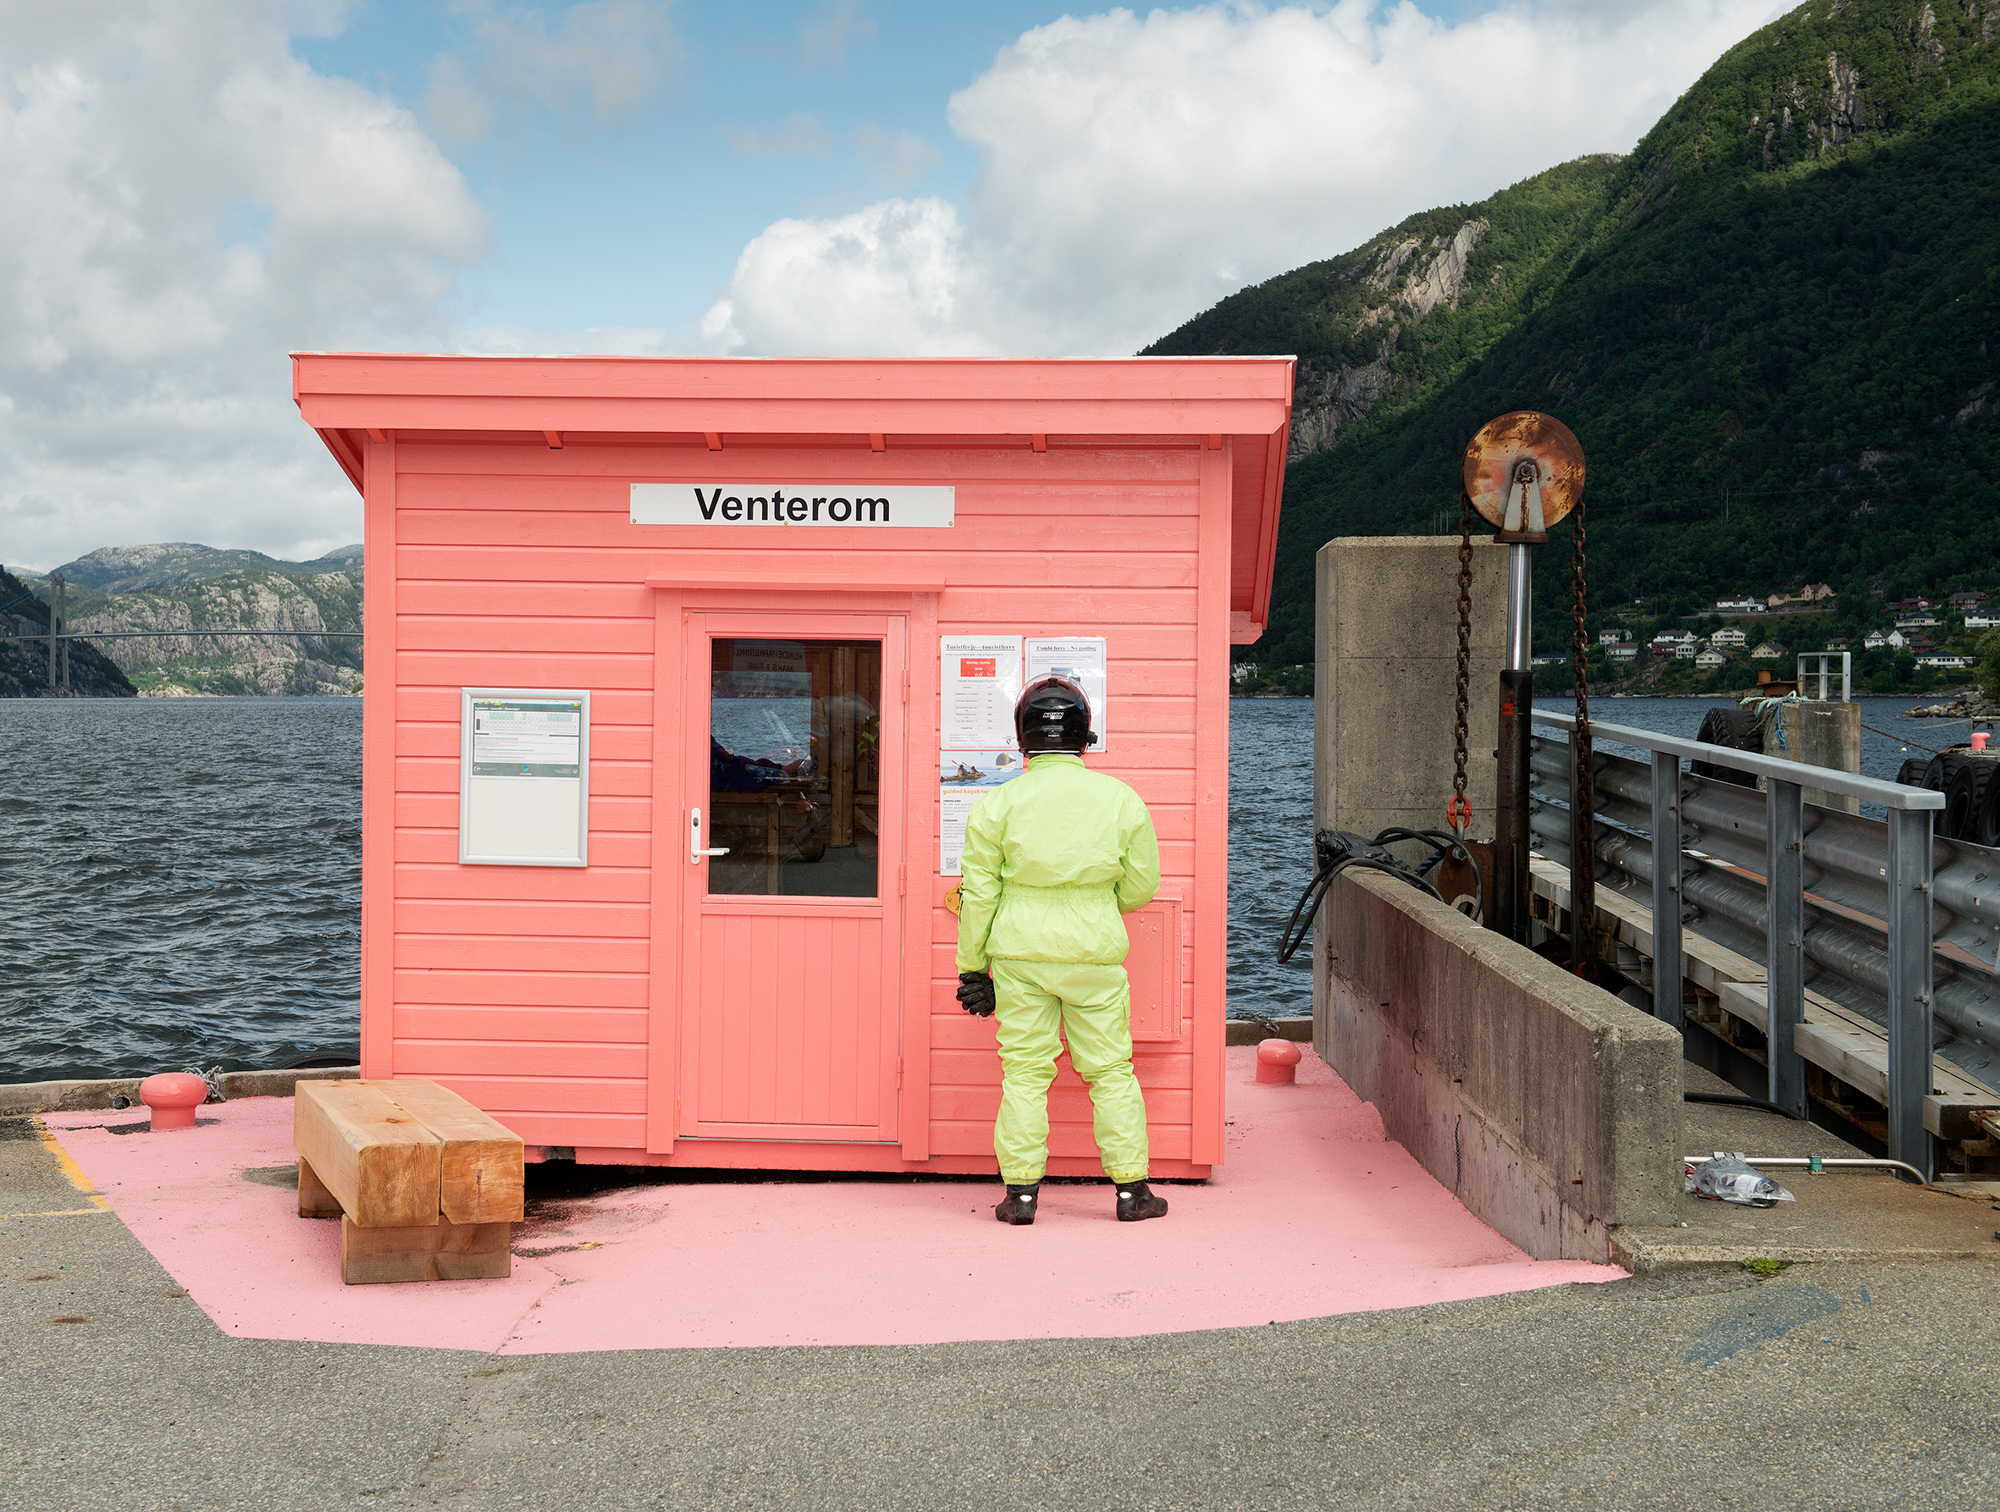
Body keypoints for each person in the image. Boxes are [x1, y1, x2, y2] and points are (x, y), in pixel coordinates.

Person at [954, 676, 1167, 1225]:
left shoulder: (996, 805)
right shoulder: (1121, 800)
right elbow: (1141, 887)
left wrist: (973, 965)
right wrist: (1096, 903)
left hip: (1019, 956)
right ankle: (1132, 1193)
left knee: (1024, 1073)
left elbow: (980, 894)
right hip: (1093, 954)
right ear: (1085, 736)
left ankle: (1020, 1196)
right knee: (1111, 1071)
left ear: (1023, 740)